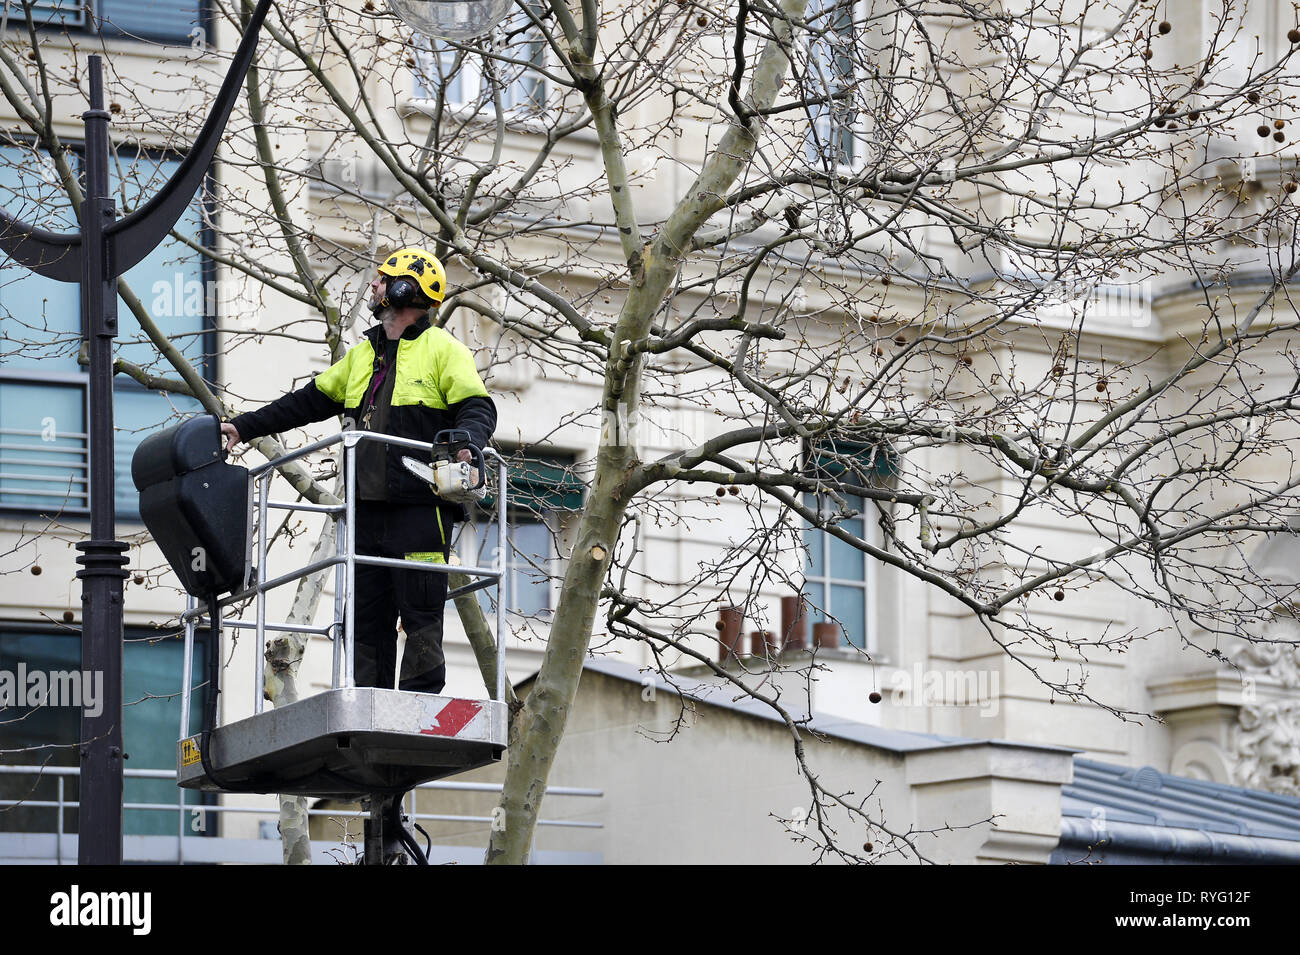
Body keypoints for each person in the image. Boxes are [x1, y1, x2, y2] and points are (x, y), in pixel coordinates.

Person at [221, 248, 497, 695]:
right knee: (365, 617)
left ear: (406, 289)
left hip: (421, 514)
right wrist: (245, 427)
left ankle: (417, 710)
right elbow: (305, 403)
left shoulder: (444, 350)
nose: (374, 285)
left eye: (383, 279)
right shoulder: (362, 356)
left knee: (421, 612)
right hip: (366, 514)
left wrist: (465, 443)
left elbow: (478, 407)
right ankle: (369, 703)